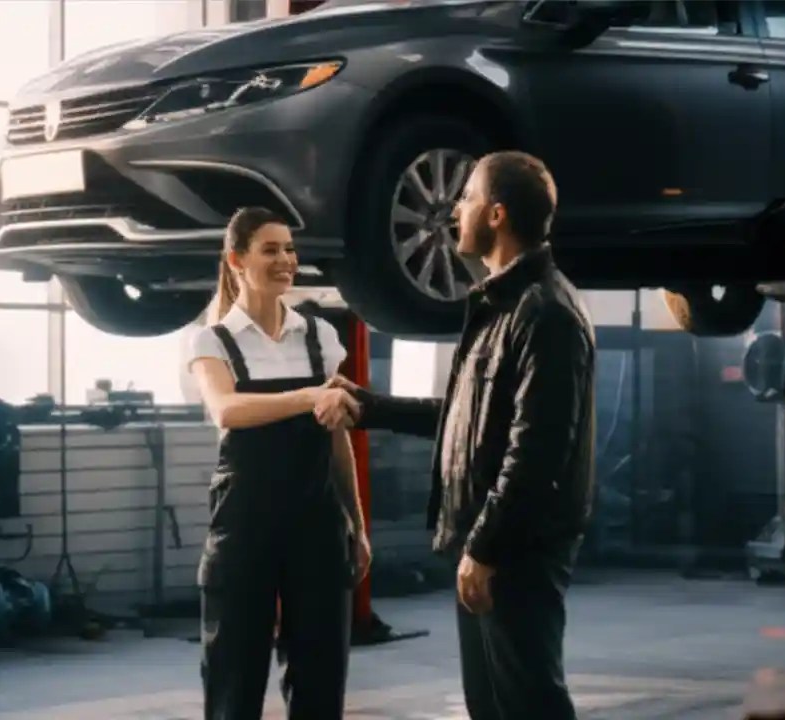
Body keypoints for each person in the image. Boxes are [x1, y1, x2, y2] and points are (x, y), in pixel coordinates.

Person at [324, 151, 596, 720]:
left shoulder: (545, 313)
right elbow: (469, 418)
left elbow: (536, 451)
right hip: (493, 542)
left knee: (528, 702)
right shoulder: (502, 304)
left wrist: (485, 546)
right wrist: (372, 408)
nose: (454, 213)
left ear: (496, 215)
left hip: (516, 549)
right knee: (492, 706)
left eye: (466, 198)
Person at [187, 206, 370, 720]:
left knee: (321, 676)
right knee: (233, 675)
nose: (286, 259)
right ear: (237, 260)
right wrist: (309, 395)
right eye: (270, 249)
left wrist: (355, 524)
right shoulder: (212, 341)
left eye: (289, 248)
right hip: (244, 527)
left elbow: (338, 443)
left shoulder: (319, 337)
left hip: (317, 522)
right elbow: (228, 409)